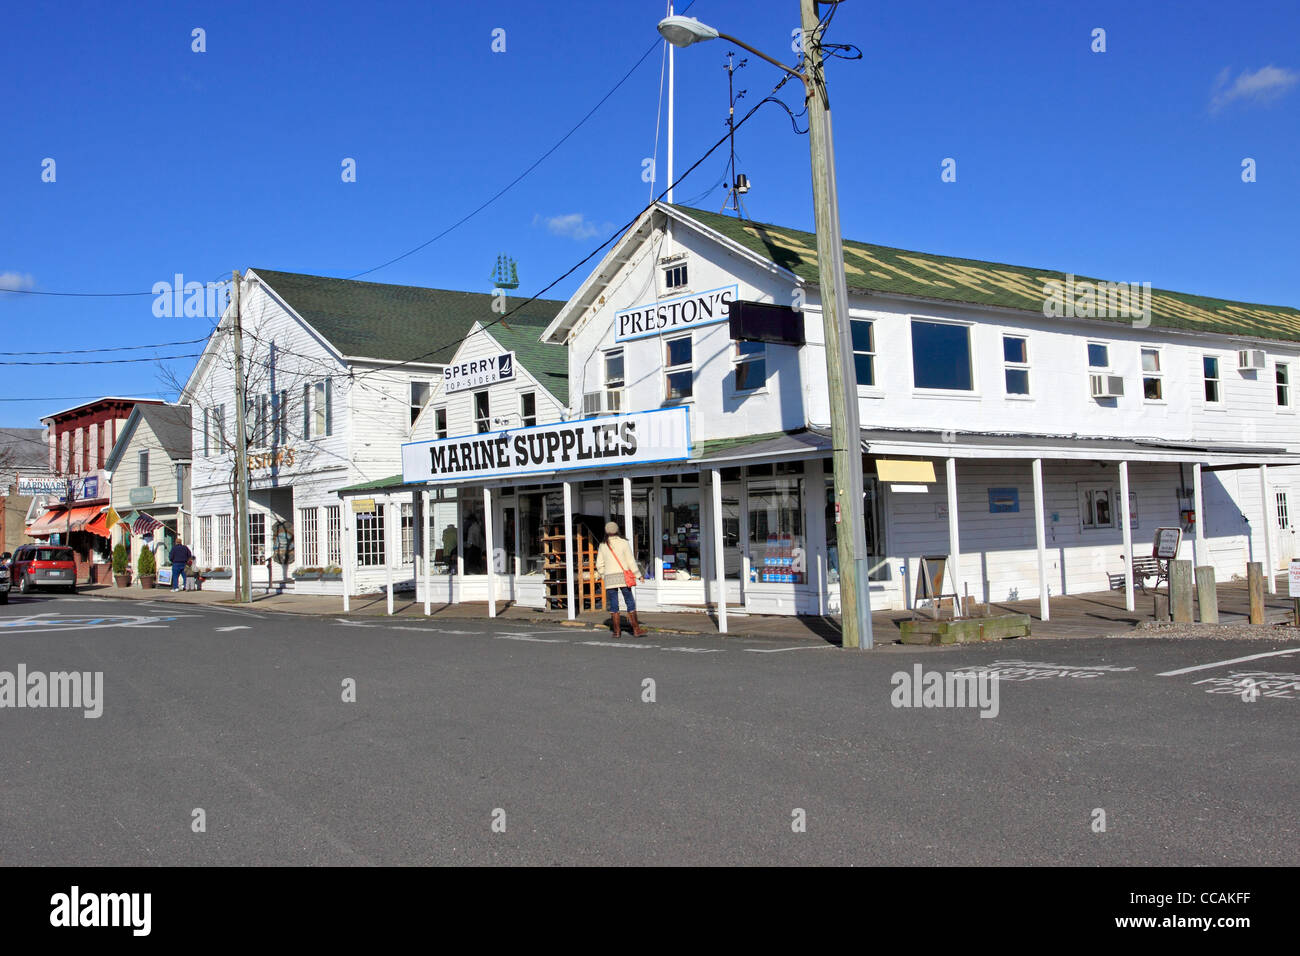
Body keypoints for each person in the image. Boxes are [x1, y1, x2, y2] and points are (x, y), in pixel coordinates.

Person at [596, 520, 645, 637]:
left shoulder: (603, 545)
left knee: (613, 603)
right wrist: (638, 575)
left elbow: (599, 564)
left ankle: (616, 631)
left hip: (609, 578)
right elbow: (630, 561)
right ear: (617, 530)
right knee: (629, 600)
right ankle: (636, 629)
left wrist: (604, 575)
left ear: (607, 532)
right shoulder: (624, 543)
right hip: (623, 577)